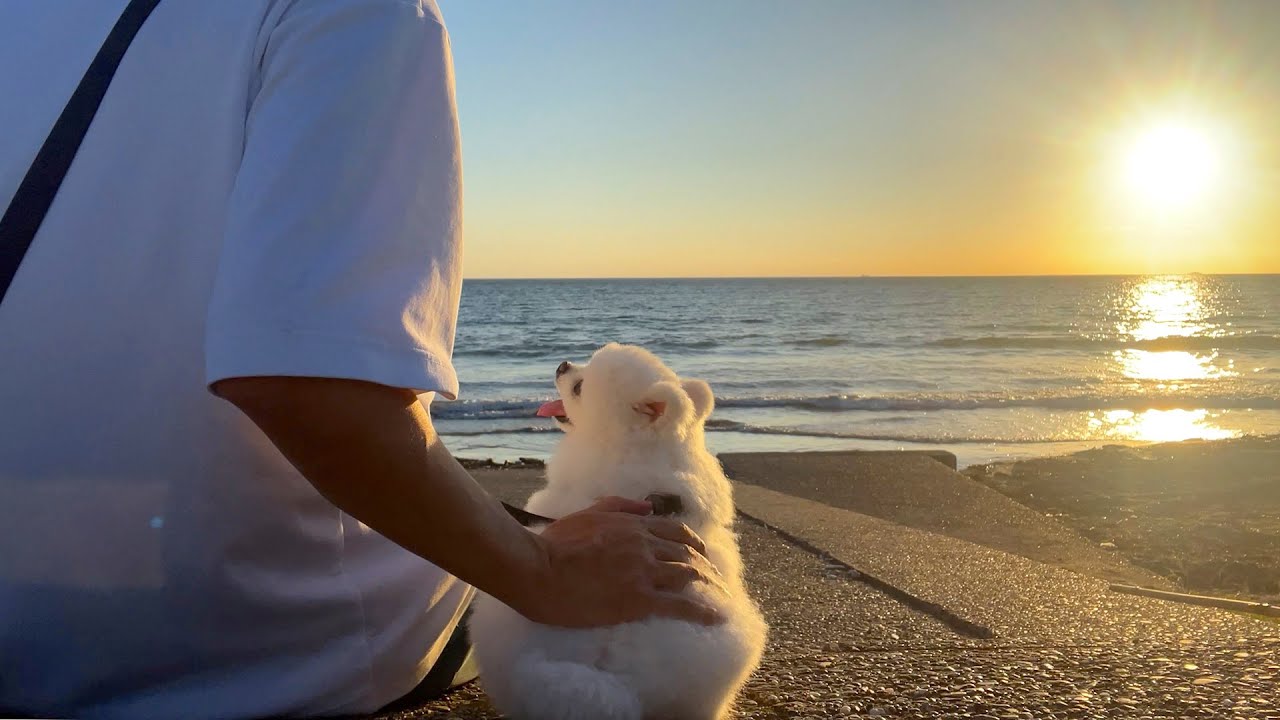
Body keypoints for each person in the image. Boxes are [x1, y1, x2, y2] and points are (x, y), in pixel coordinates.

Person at [0, 1, 720, 717]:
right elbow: (313, 388)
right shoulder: (365, 11)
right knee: (561, 609)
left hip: (23, 630)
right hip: (242, 644)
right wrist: (542, 569)